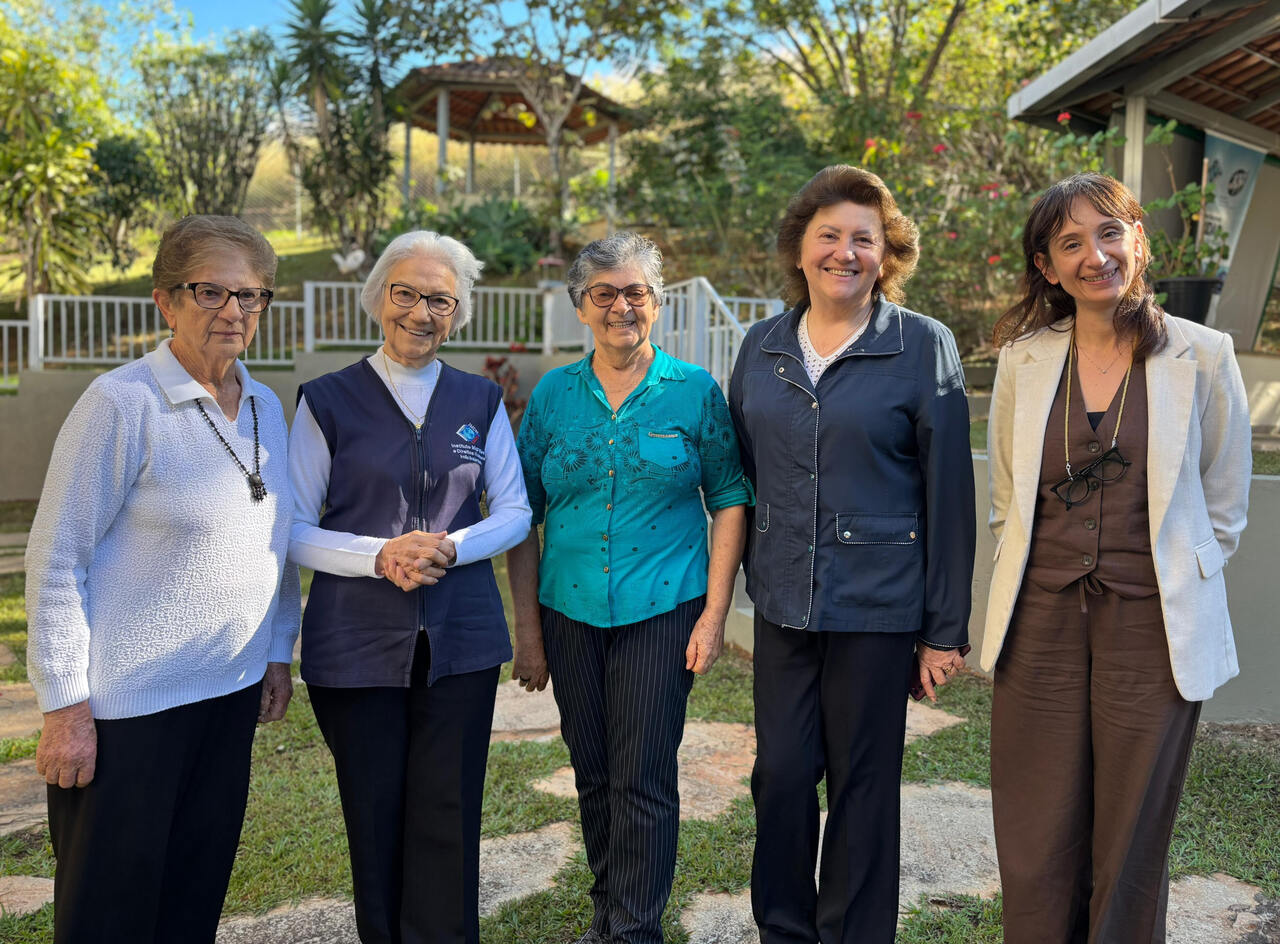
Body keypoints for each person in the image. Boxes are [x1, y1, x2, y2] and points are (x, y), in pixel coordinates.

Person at [982, 172, 1252, 944]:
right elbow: (1008, 498)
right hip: (1039, 625)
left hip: (1154, 627)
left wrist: (1163, 574)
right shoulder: (1023, 361)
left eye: (1110, 233)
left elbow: (1223, 506)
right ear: (1047, 266)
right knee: (1036, 832)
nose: (1095, 255)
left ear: (1138, 238)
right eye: (1071, 243)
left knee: (1130, 835)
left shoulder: (1203, 355)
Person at [24, 215, 300, 943]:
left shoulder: (268, 405)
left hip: (228, 694)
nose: (234, 312)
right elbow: (56, 560)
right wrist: (64, 707)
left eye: (251, 296)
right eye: (210, 291)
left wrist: (277, 648)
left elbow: (278, 538)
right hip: (127, 713)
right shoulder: (122, 404)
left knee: (193, 896)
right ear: (165, 301)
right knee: (108, 915)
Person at [727, 164, 975, 943]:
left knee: (865, 785)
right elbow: (742, 470)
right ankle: (785, 930)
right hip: (782, 604)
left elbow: (949, 496)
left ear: (887, 253)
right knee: (784, 775)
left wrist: (943, 628)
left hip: (878, 604)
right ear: (799, 251)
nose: (844, 252)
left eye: (863, 239)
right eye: (827, 236)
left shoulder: (922, 345)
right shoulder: (760, 346)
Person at [507, 231, 751, 944]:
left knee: (642, 776)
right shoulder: (553, 395)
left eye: (635, 292)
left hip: (663, 609)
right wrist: (528, 632)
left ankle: (635, 930)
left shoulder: (695, 391)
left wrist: (713, 615)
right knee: (592, 774)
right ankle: (608, 914)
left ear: (658, 302)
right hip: (569, 611)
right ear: (581, 306)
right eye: (604, 293)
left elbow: (730, 496)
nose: (621, 306)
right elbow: (523, 513)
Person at [287, 230, 531, 944]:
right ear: (378, 299)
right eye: (406, 294)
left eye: (440, 300)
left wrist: (452, 546)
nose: (421, 312)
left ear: (457, 313)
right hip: (355, 644)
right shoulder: (327, 401)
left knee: (449, 814)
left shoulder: (479, 399)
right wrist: (380, 555)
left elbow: (514, 510)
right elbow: (294, 528)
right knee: (375, 812)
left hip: (461, 644)